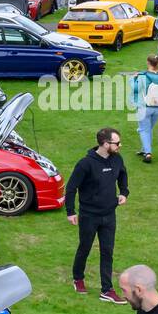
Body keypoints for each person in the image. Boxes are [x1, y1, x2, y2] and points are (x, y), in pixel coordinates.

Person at [66, 126, 129, 301]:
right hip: (89, 215)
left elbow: (123, 175)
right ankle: (78, 278)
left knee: (107, 251)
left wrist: (124, 192)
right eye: (116, 143)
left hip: (109, 215)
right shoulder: (85, 164)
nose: (119, 146)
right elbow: (71, 188)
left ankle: (107, 290)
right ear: (104, 143)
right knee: (85, 247)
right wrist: (71, 212)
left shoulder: (117, 159)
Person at [131, 55, 158, 163]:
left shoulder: (143, 75)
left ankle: (148, 153)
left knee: (144, 129)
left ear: (148, 62)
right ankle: (144, 149)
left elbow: (135, 89)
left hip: (144, 107)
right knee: (148, 129)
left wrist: (133, 79)